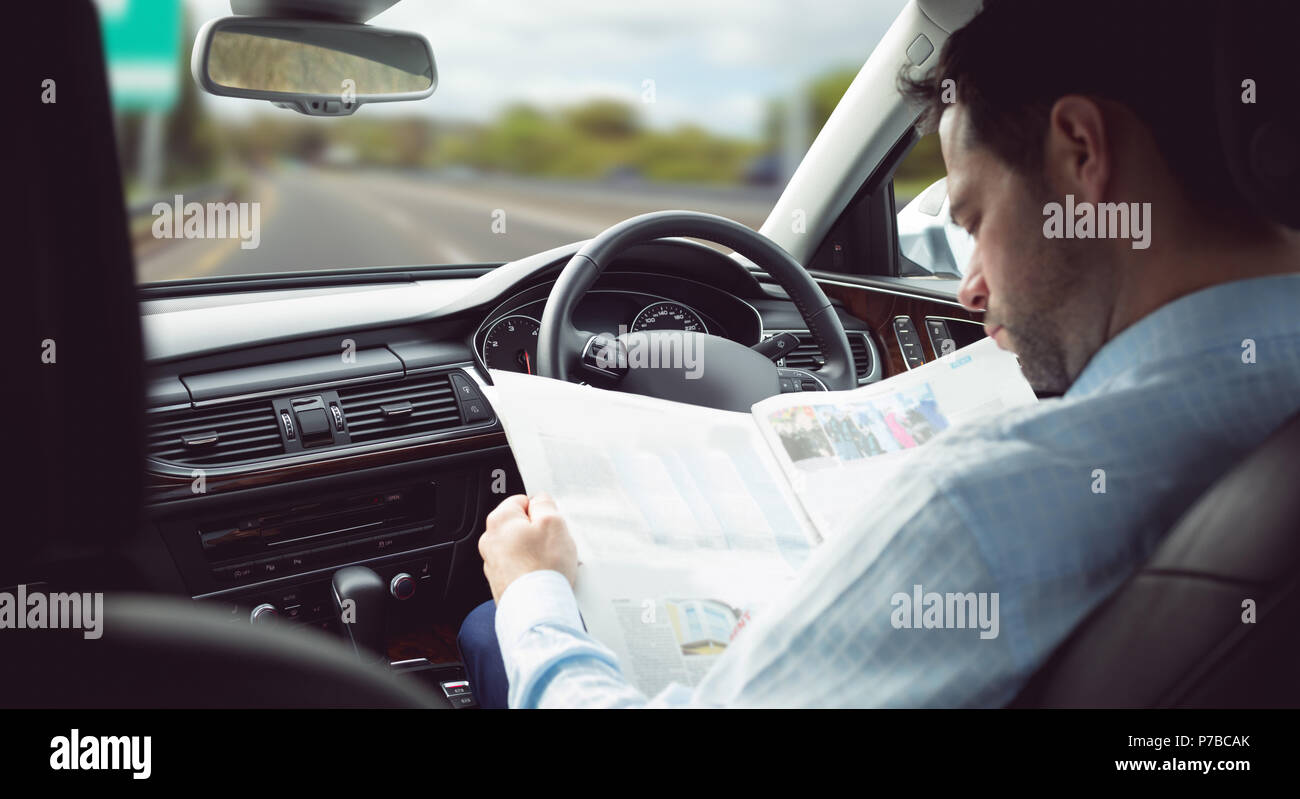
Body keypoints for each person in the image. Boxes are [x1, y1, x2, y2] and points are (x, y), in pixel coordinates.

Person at [459, 0, 1300, 707]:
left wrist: (534, 592)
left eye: (973, 221)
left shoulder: (985, 505)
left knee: (490, 628)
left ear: (1082, 151)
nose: (970, 289)